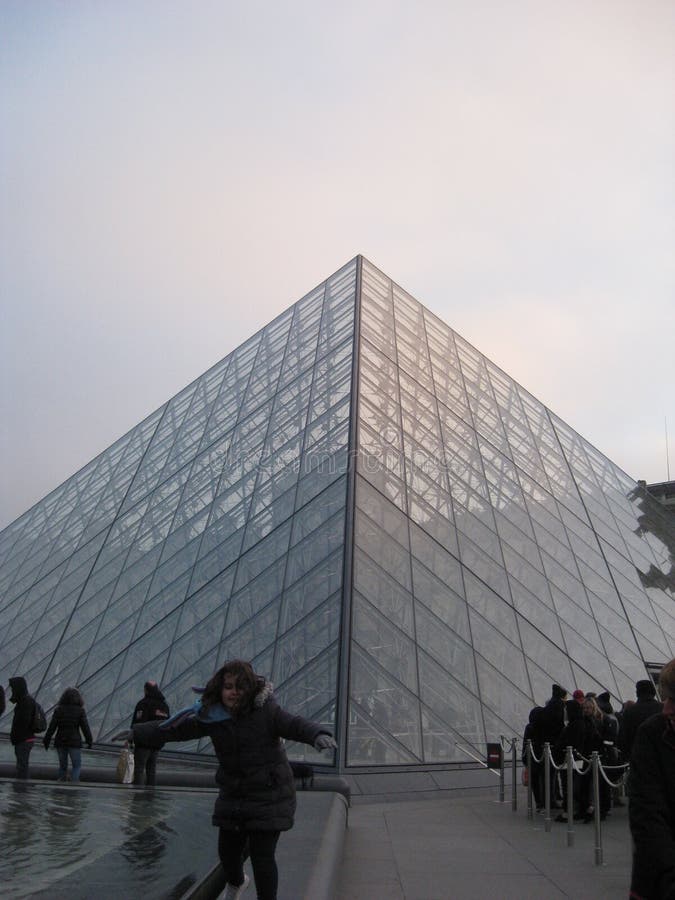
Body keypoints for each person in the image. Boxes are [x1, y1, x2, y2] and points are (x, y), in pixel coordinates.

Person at [116, 660, 336, 900]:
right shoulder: (213, 717)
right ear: (220, 689)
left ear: (250, 688)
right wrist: (138, 732)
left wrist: (317, 734)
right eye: (229, 686)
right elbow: (175, 729)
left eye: (240, 687)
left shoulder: (266, 711)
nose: (234, 692)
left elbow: (293, 724)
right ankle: (237, 882)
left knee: (263, 858)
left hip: (270, 794)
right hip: (234, 794)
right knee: (227, 853)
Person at [629, 658, 675, 900]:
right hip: (659, 881)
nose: (666, 708)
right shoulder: (652, 734)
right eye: (666, 697)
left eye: (673, 699)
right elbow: (647, 814)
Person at [43, 687, 93, 783]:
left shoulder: (59, 710)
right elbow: (85, 727)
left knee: (62, 766)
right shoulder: (80, 711)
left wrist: (47, 740)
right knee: (76, 765)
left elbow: (52, 727)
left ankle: (61, 786)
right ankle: (74, 785)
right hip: (74, 742)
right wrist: (89, 740)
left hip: (60, 741)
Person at [130, 680, 170, 786]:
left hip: (143, 743)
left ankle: (137, 796)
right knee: (151, 770)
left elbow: (138, 723)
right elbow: (168, 724)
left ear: (145, 690)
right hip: (157, 743)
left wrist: (130, 739)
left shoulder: (143, 704)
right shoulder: (164, 706)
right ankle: (150, 795)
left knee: (139, 769)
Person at [618, 678, 662, 763]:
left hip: (638, 759)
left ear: (638, 693)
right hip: (661, 758)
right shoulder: (662, 708)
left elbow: (622, 739)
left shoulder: (630, 711)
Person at [8, 676, 36, 779]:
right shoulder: (26, 700)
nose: (11, 690)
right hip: (24, 738)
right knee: (22, 764)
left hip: (24, 739)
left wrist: (16, 736)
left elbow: (23, 722)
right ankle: (22, 786)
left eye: (13, 688)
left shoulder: (25, 702)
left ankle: (22, 787)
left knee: (22, 765)